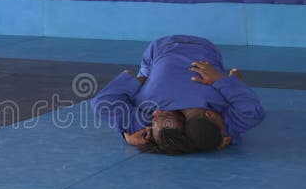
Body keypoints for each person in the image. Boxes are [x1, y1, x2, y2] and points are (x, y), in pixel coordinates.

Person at [90, 35, 265, 153]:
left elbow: (102, 103)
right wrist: (220, 80)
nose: (158, 113)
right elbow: (103, 103)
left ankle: (234, 82)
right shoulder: (217, 117)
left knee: (147, 74)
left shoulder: (149, 114)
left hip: (163, 50)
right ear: (183, 122)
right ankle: (233, 82)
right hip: (189, 50)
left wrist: (141, 79)